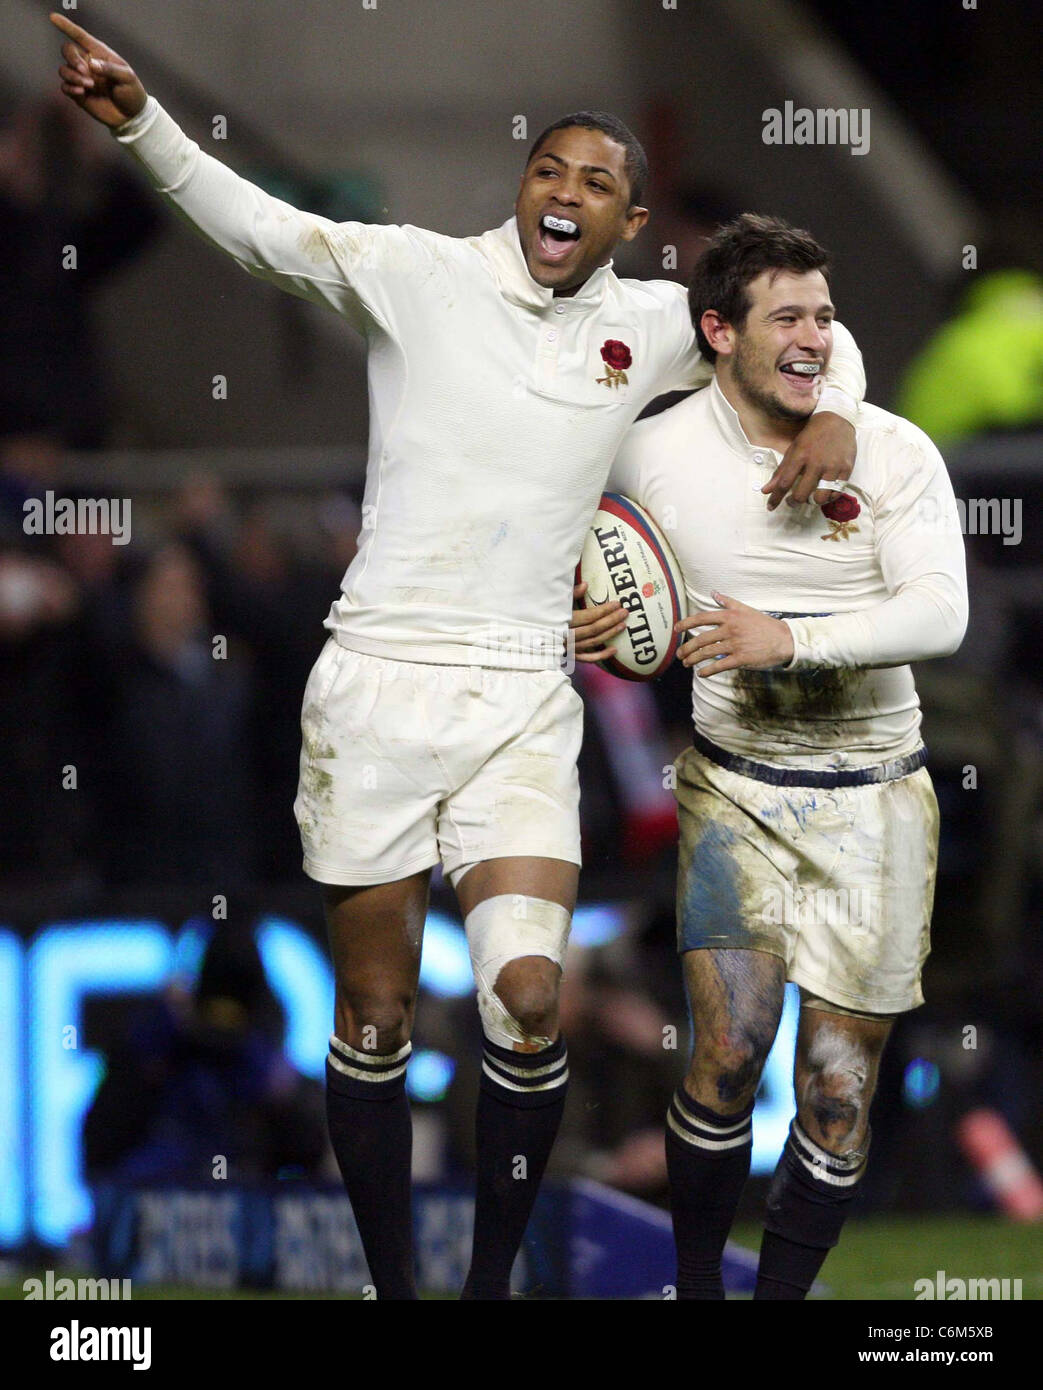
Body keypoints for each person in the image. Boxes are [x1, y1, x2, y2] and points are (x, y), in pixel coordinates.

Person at [50, 13, 867, 1300]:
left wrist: (834, 415)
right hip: (375, 679)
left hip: (521, 693)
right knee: (374, 1016)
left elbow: (796, 315)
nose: (565, 193)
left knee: (530, 997)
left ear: (632, 223)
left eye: (596, 183)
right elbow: (262, 227)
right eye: (550, 171)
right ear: (524, 188)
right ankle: (395, 1288)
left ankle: (487, 1287)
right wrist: (145, 123)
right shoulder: (414, 274)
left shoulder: (655, 323)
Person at [574, 213, 968, 1298]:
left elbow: (940, 614)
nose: (810, 337)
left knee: (836, 1092)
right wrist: (590, 614)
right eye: (783, 316)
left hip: (878, 799)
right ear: (716, 332)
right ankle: (697, 1287)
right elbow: (577, 546)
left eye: (824, 318)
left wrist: (784, 639)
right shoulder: (648, 452)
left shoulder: (889, 449)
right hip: (735, 787)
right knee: (729, 1047)